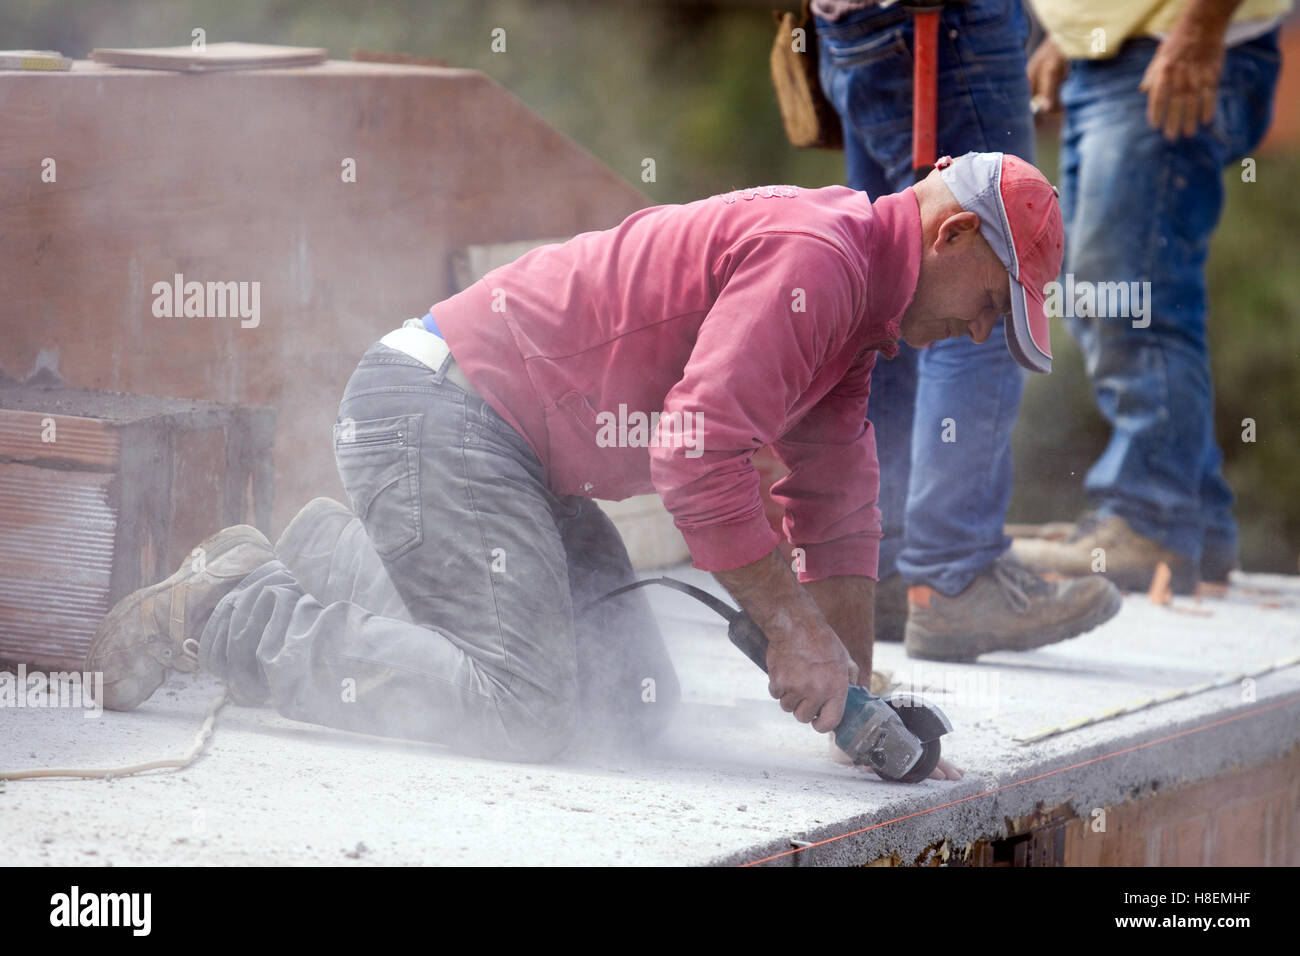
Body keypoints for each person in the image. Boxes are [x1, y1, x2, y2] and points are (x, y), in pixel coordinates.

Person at [89, 151, 1105, 768]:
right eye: (989, 306)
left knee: (627, 703)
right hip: (432, 413)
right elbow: (696, 458)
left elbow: (833, 510)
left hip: (495, 453)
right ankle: (230, 609)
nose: (982, 334)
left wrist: (857, 707)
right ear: (958, 232)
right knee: (524, 705)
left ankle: (327, 552)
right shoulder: (821, 259)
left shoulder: (856, 315)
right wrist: (791, 631)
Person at [810, 0, 1117, 659]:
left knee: (895, 280)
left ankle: (884, 566)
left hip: (856, 25)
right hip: (941, 25)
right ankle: (954, 574)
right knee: (985, 284)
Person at [1013, 0, 1286, 593]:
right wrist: (1078, 32)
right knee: (1102, 295)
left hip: (1171, 51)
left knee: (1133, 298)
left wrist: (1199, 28)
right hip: (1117, 56)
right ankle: (1193, 525)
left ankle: (1150, 518)